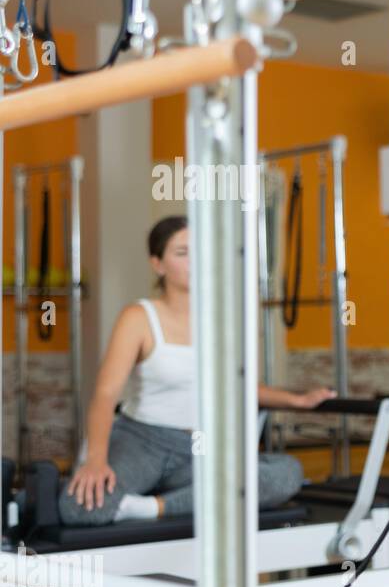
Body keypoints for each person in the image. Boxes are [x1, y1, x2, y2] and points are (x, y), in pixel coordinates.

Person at [61, 215, 332, 526]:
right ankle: (183, 497)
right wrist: (95, 461)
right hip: (142, 439)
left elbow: (236, 385)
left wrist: (297, 401)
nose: (195, 260)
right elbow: (106, 394)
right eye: (182, 252)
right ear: (158, 264)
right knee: (79, 507)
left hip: (200, 446)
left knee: (285, 475)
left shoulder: (221, 320)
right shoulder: (138, 317)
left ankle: (152, 507)